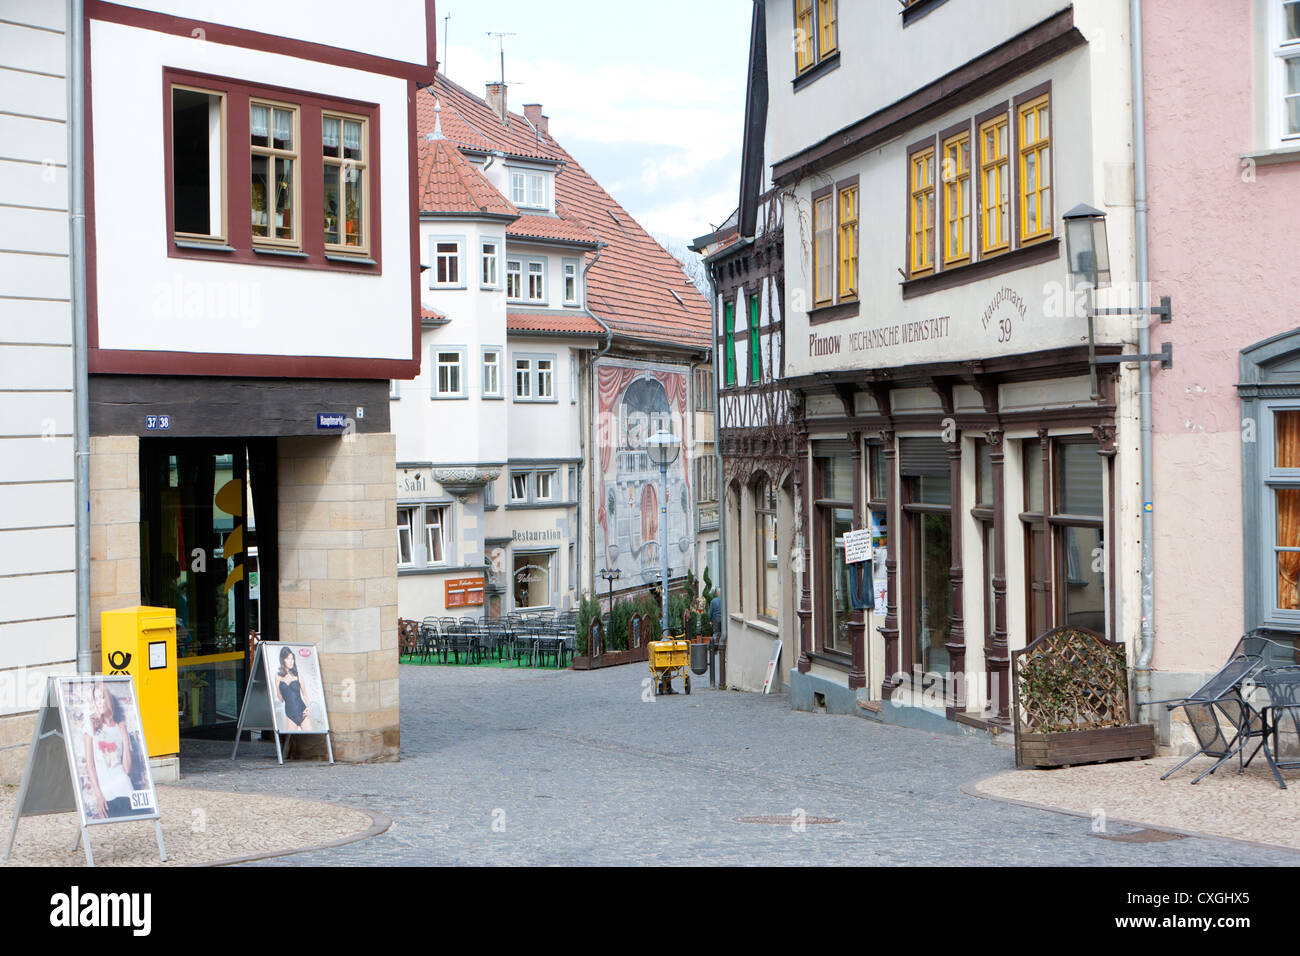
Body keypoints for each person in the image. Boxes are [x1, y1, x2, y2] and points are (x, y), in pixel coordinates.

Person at [82, 683, 145, 819]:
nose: (100, 702)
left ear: (108, 699)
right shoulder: (91, 725)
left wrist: (125, 737)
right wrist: (98, 795)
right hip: (106, 792)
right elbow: (90, 765)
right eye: (96, 699)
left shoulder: (120, 726)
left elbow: (127, 769)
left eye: (102, 697)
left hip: (124, 788)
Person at [275, 646, 312, 731]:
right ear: (283, 660)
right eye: (288, 658)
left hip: (302, 712)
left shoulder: (298, 675)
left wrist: (309, 708)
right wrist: (278, 685)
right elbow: (281, 699)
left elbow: (305, 695)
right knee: (291, 740)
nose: (291, 661)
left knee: (310, 739)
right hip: (290, 714)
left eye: (292, 659)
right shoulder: (278, 677)